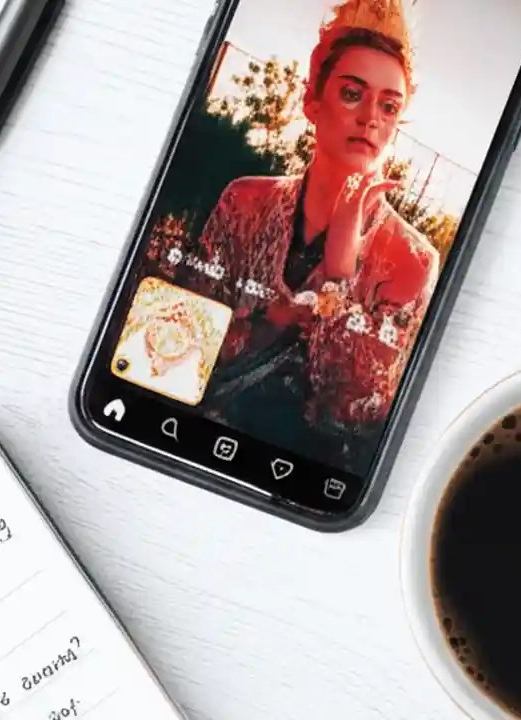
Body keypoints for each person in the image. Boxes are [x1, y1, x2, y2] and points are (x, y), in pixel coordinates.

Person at [183, 0, 439, 474]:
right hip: (185, 427)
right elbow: (182, 339)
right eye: (351, 94)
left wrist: (339, 277)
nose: (371, 118)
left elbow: (358, 414)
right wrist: (275, 320)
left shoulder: (411, 259)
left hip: (303, 471)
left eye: (389, 105)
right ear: (312, 101)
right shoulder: (245, 201)